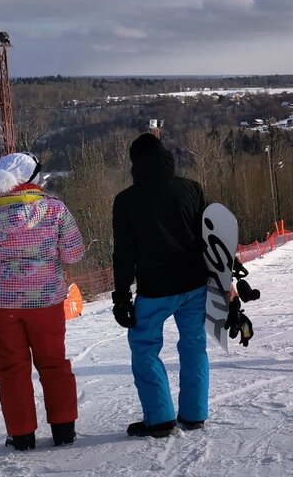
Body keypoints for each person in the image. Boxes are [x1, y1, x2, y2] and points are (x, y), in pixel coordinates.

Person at [0, 153, 85, 450]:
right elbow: (73, 254)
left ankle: (21, 435)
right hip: (47, 303)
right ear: (31, 179)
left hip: (0, 307)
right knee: (54, 363)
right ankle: (64, 428)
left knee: (11, 369)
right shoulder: (54, 209)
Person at [112, 133, 211, 438]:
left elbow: (124, 253)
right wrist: (224, 280)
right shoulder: (191, 188)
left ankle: (160, 418)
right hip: (195, 284)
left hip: (155, 290)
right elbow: (209, 237)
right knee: (194, 345)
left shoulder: (126, 200)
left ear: (134, 164)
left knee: (145, 349)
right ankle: (194, 414)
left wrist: (121, 297)